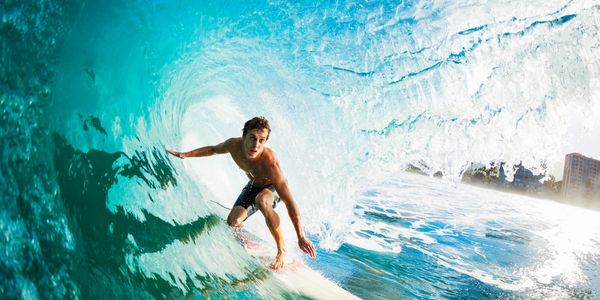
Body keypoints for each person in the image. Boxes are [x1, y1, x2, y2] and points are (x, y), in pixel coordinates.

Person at [166, 116, 316, 269]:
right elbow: (213, 149)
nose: (256, 145)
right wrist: (185, 154)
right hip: (253, 185)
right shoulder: (233, 145)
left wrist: (301, 236)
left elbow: (290, 202)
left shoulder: (270, 163)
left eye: (261, 140)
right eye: (252, 138)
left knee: (262, 200)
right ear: (244, 136)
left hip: (272, 189)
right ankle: (244, 238)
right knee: (233, 222)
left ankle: (282, 251)